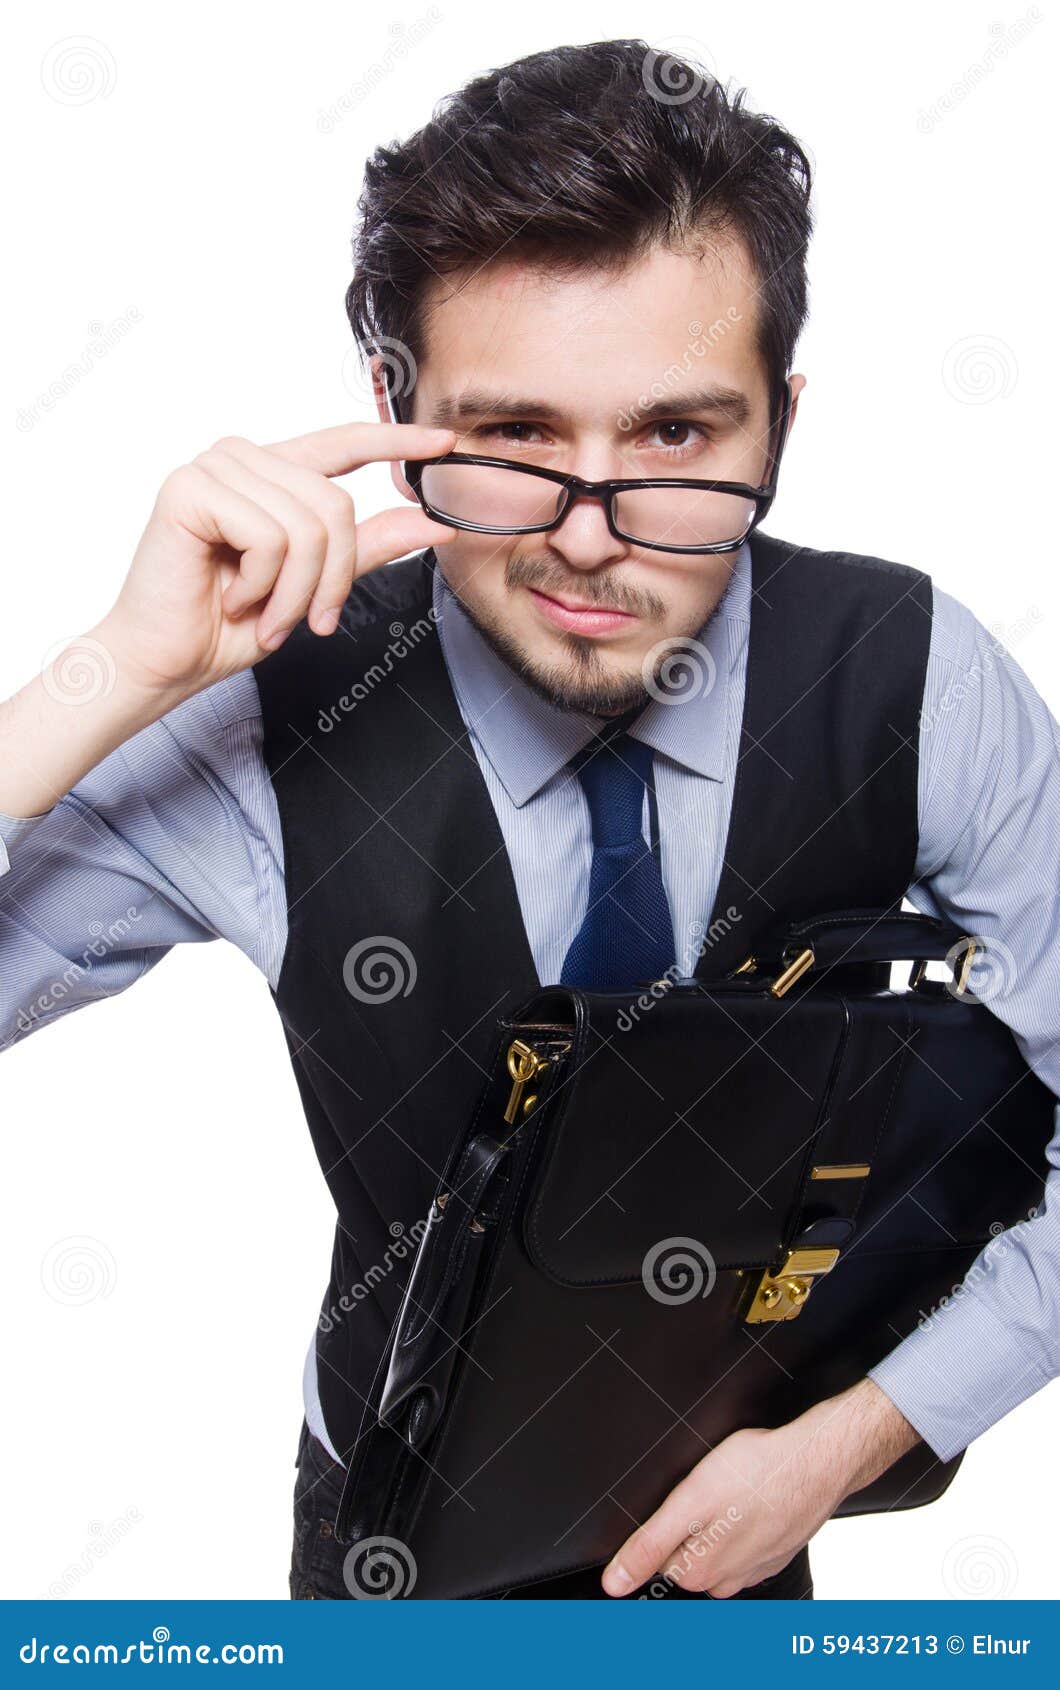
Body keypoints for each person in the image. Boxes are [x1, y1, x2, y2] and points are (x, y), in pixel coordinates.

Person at [2, 40, 1057, 1601]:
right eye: (512, 440)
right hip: (382, 1550)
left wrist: (857, 1435)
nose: (587, 540)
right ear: (391, 408)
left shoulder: (918, 678)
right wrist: (113, 673)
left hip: (750, 1530)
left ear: (783, 418)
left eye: (678, 439)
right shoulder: (257, 712)